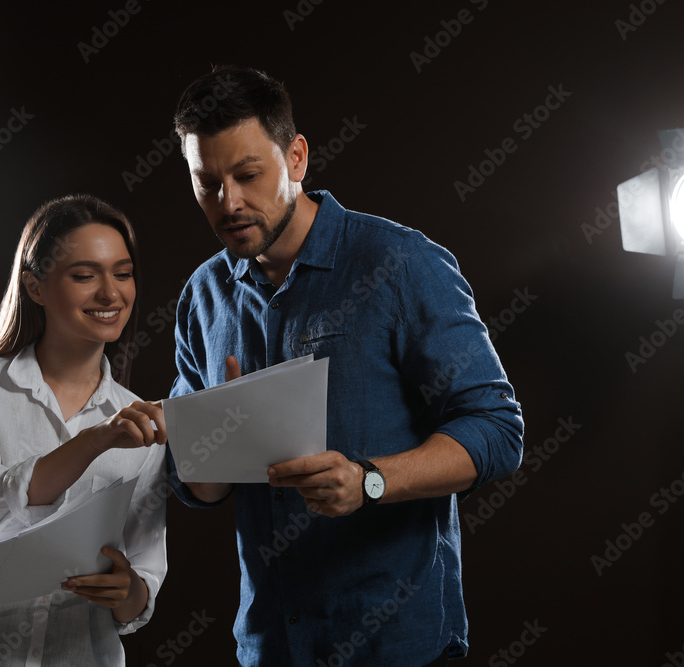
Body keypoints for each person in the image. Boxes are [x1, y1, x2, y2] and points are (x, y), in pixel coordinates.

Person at [167, 66, 524, 667]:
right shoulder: (202, 295)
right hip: (270, 648)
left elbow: (496, 429)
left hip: (398, 647)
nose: (229, 202)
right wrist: (219, 436)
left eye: (249, 175)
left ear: (297, 157)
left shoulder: (401, 263)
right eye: (207, 184)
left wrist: (369, 481)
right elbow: (195, 483)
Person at [0, 194, 168, 666]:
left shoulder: (140, 421)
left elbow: (143, 585)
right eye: (84, 275)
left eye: (122, 273)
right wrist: (93, 441)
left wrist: (126, 589)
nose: (110, 293)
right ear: (35, 287)